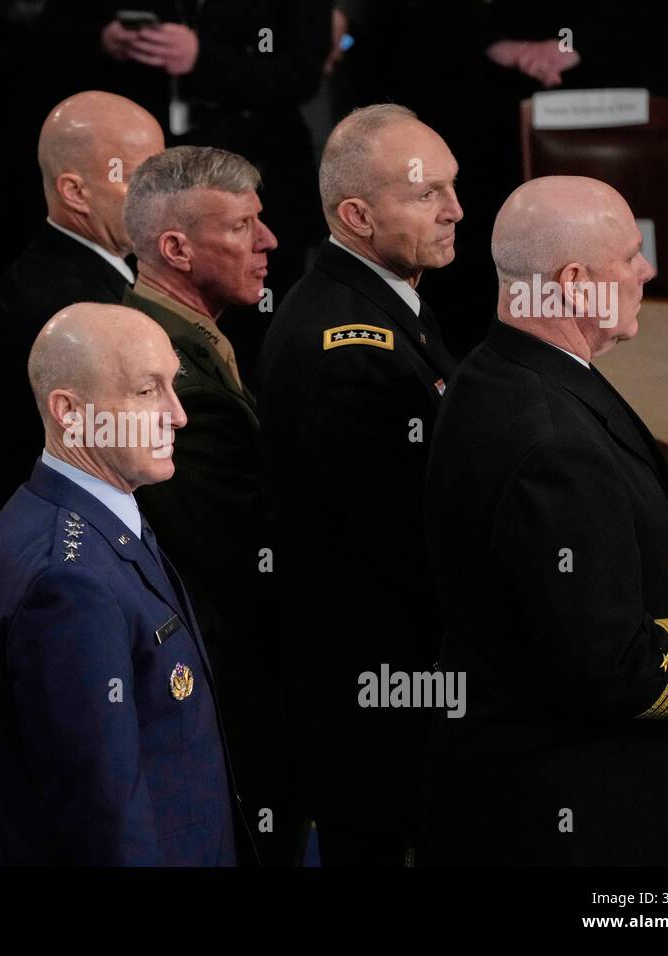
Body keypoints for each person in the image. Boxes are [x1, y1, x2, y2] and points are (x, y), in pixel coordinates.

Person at [423, 175, 668, 865]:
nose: (648, 270)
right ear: (576, 282)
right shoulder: (553, 441)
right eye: (631, 255)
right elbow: (607, 669)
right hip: (588, 812)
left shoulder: (496, 371)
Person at [254, 103, 463, 866]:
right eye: (427, 194)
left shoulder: (375, 297)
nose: (455, 211)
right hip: (382, 691)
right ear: (357, 215)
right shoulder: (351, 349)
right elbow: (396, 551)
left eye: (453, 186)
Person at [0, 302, 250, 865]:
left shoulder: (88, 507)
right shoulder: (68, 582)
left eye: (173, 385)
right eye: (147, 392)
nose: (178, 415)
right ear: (70, 412)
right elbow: (103, 818)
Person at [120, 145, 302, 864]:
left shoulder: (177, 337)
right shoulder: (172, 379)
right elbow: (239, 562)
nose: (269, 241)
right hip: (230, 693)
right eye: (243, 226)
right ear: (177, 248)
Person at [0, 91, 164, 505]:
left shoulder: (89, 275)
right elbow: (118, 460)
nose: (162, 197)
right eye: (141, 179)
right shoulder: (69, 310)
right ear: (75, 192)